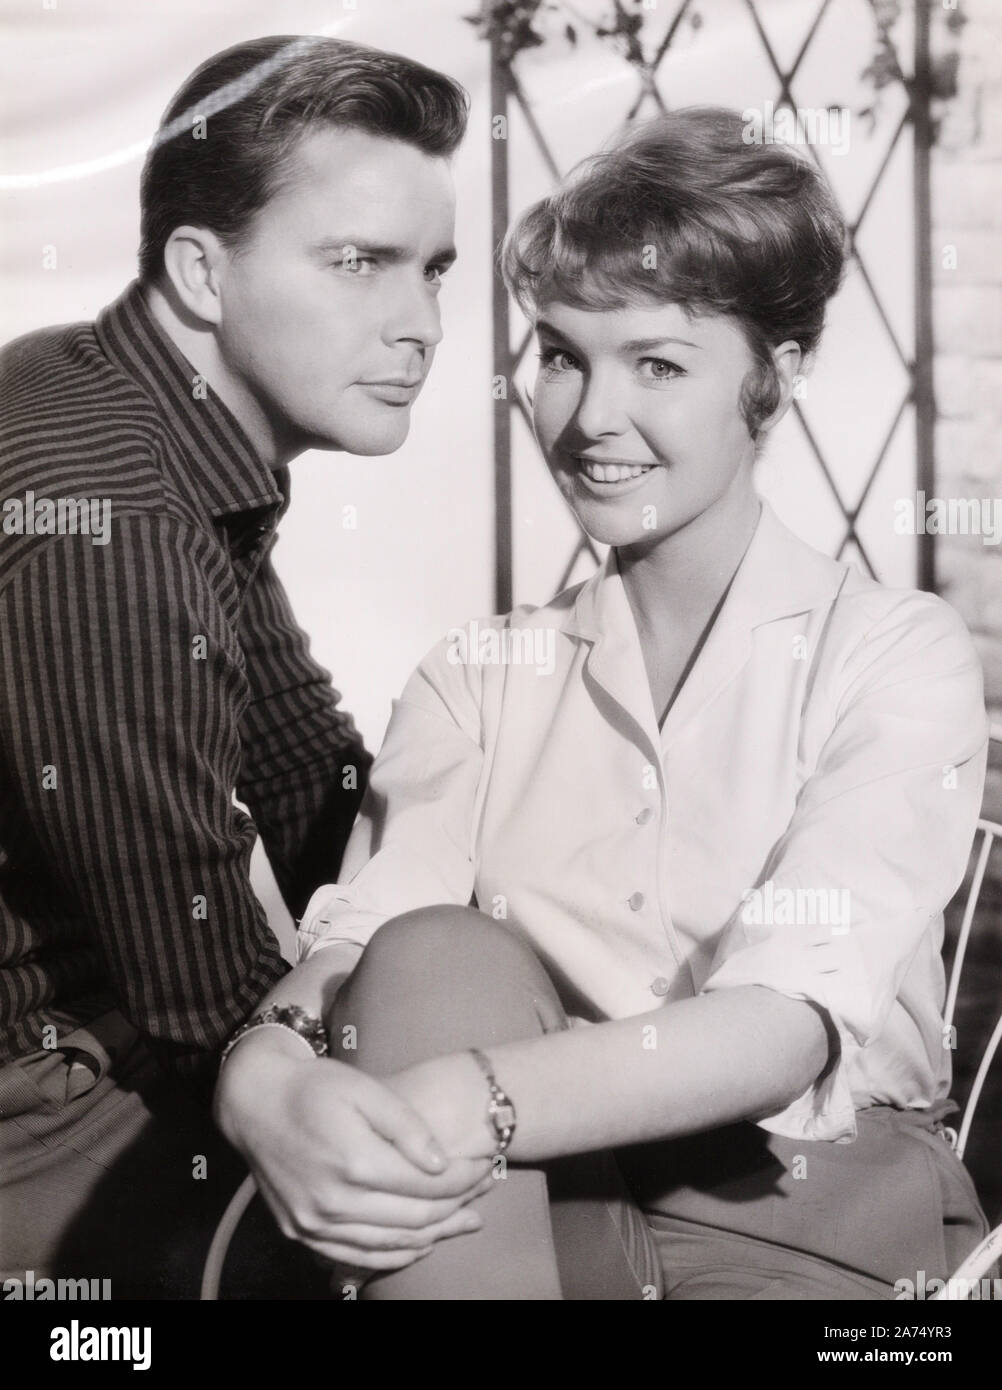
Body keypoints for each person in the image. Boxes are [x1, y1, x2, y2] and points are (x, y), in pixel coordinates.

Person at [214, 107, 991, 1300]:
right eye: (564, 354)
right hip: (527, 1202)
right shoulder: (483, 671)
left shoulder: (893, 653)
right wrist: (262, 1072)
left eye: (659, 365)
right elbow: (363, 940)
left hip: (799, 1218)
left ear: (772, 381)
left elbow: (786, 1022)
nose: (591, 419)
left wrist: (475, 1096)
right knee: (429, 953)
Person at [0, 35, 469, 1298]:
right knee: (439, 1192)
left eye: (433, 270)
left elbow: (312, 780)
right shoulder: (114, 517)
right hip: (38, 1093)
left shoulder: (125, 404)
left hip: (90, 1034)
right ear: (202, 271)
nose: (421, 325)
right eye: (358, 263)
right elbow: (207, 1001)